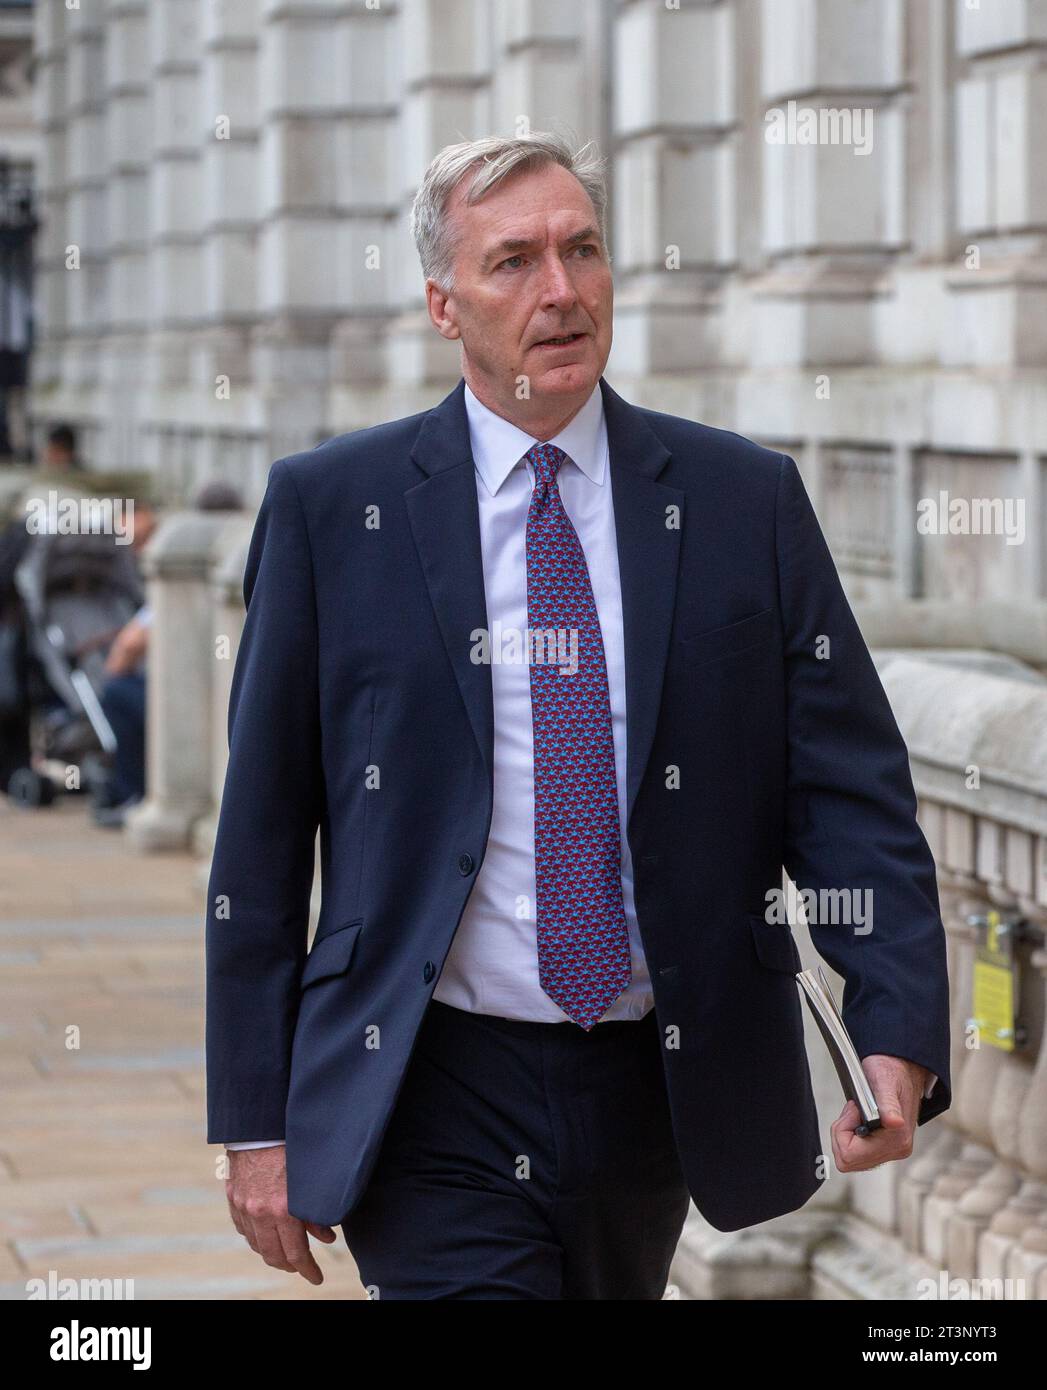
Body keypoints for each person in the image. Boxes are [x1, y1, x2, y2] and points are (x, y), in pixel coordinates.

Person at [205, 133, 951, 1300]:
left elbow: (849, 788)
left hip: (658, 1082)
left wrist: (896, 1024)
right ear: (444, 304)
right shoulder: (331, 511)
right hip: (428, 1079)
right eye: (515, 262)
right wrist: (253, 1118)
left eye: (584, 250)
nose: (561, 290)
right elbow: (257, 836)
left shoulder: (741, 500)